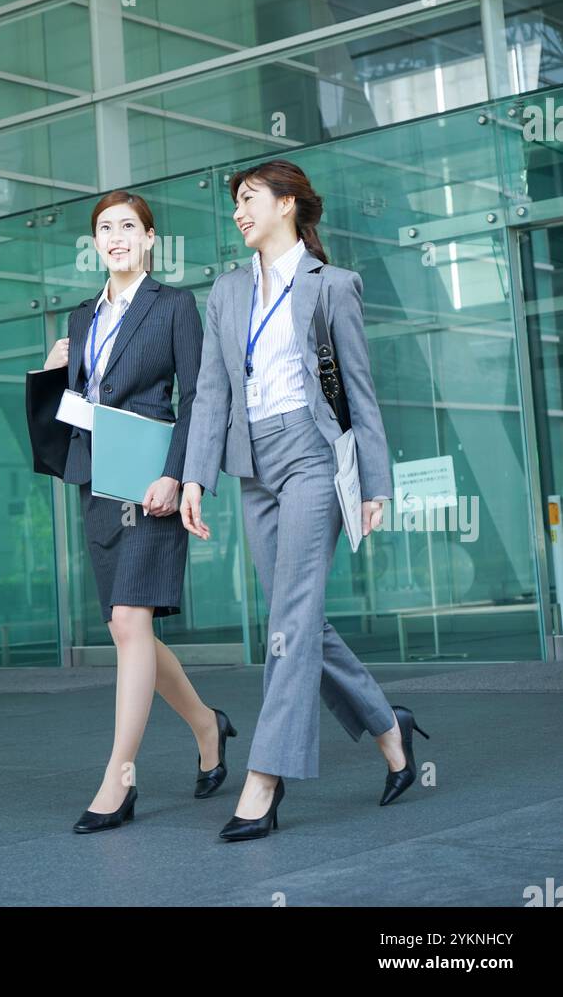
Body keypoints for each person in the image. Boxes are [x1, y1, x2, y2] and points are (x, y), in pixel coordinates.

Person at [180, 160, 430, 842]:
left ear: (287, 205)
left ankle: (265, 777)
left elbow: (355, 388)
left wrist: (373, 482)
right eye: (234, 201)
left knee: (289, 615)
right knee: (300, 619)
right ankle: (388, 727)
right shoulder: (227, 293)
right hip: (249, 461)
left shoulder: (332, 286)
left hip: (311, 455)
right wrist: (195, 477)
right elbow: (210, 393)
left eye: (249, 198)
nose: (238, 211)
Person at [40, 189, 237, 833]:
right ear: (95, 243)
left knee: (130, 620)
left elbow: (201, 394)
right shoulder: (79, 318)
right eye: (105, 228)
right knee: (132, 632)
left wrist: (177, 474)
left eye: (129, 226)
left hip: (153, 479)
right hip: (99, 480)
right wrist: (50, 375)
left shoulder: (175, 305)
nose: (116, 236)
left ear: (150, 238)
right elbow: (72, 409)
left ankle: (118, 777)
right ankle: (208, 724)